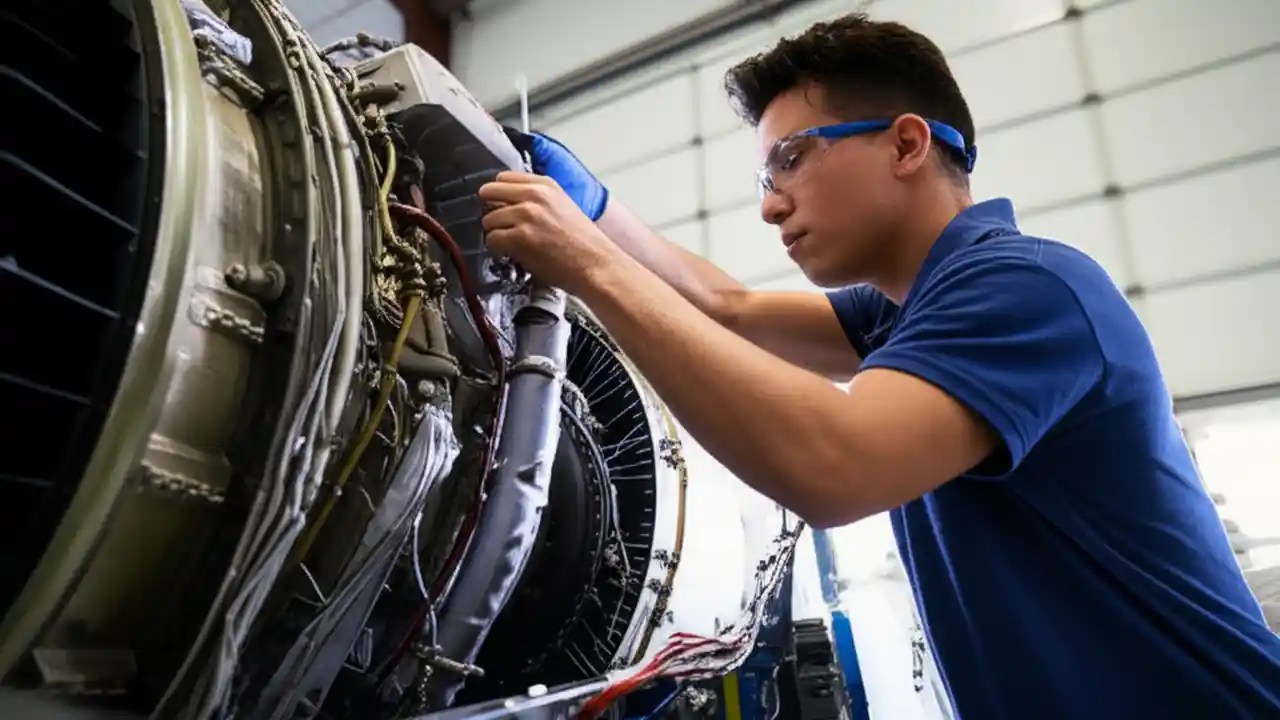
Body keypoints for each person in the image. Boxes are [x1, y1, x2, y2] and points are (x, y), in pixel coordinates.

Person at [477, 13, 1280, 719]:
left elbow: (835, 465)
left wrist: (586, 263)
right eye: (765, 176)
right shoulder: (911, 311)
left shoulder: (1026, 287)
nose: (769, 204)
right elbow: (727, 309)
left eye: (791, 158)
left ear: (905, 143)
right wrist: (594, 206)